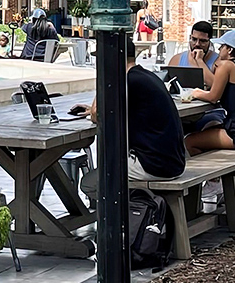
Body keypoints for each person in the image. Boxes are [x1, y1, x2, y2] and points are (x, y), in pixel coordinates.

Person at [79, 37, 186, 196]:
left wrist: (105, 77)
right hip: (172, 162)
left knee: (89, 183)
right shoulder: (145, 76)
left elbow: (97, 115)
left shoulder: (127, 81)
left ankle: (135, 215)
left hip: (153, 165)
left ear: (113, 57)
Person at [185, 30, 235, 156]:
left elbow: (213, 97)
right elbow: (216, 84)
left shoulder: (226, 66)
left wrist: (196, 93)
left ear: (229, 50)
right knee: (206, 130)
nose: (219, 50)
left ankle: (211, 174)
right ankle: (216, 174)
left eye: (222, 47)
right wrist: (200, 61)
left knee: (189, 141)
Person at [168, 20, 219, 88]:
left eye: (202, 41)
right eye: (194, 39)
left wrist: (199, 61)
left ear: (209, 41)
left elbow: (216, 86)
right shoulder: (177, 59)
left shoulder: (218, 61)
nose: (197, 44)